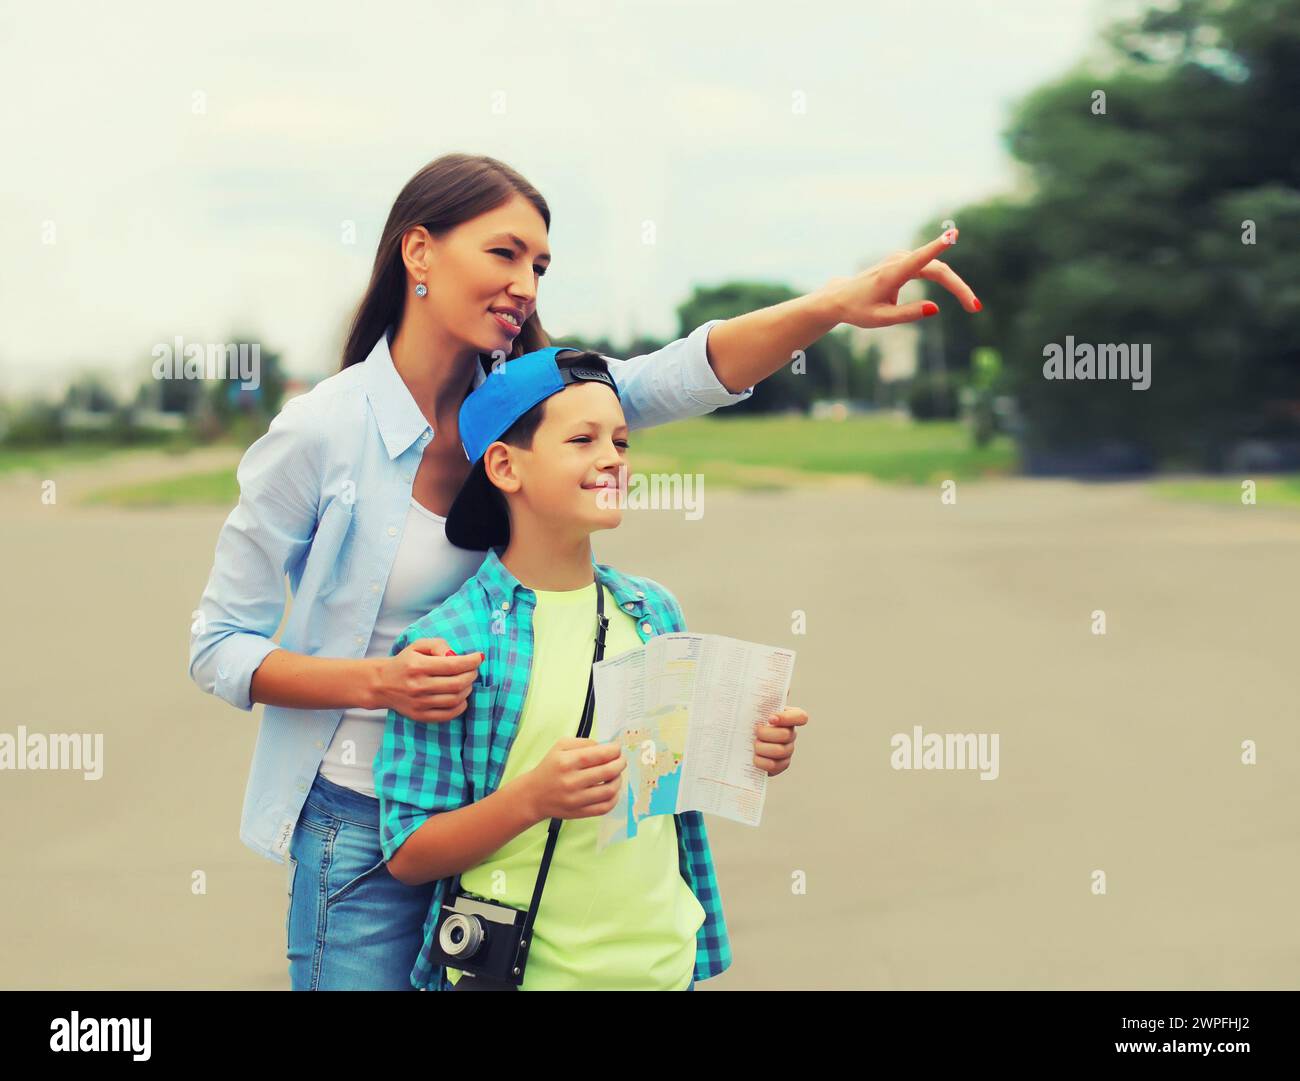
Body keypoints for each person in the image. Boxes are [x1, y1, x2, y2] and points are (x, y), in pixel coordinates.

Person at [187, 151, 979, 990]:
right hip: (365, 822)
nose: (526, 283)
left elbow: (677, 374)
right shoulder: (319, 432)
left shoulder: (530, 402)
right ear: (418, 253)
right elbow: (217, 646)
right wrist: (381, 681)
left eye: (539, 264)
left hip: (508, 817)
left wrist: (831, 307)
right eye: (504, 253)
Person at [376, 347, 809, 991]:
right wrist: (530, 800)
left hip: (663, 969)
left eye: (621, 442)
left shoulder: (652, 610)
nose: (612, 458)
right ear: (504, 465)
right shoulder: (449, 643)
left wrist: (752, 746)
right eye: (581, 439)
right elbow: (409, 853)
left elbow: (661, 773)